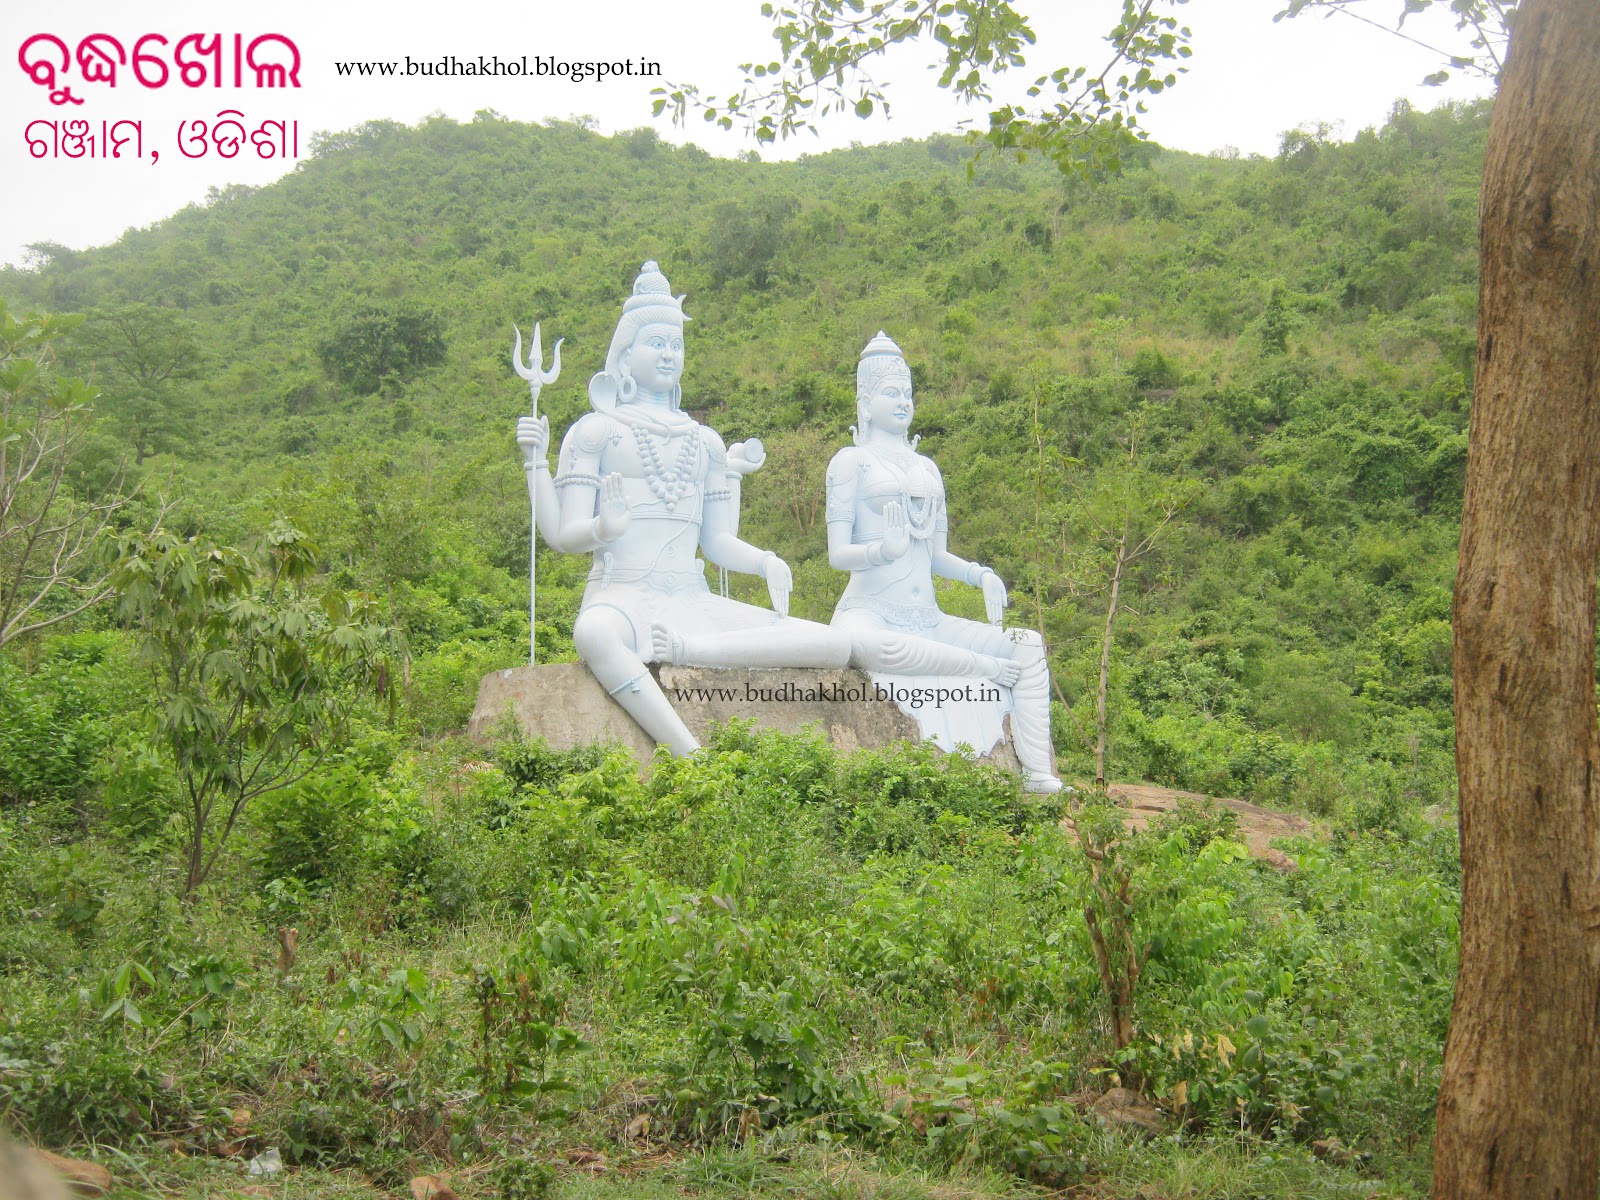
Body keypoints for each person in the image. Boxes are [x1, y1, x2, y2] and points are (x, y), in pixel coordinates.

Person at [516, 261, 849, 755]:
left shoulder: (706, 443)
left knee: (836, 645)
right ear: (625, 357)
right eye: (657, 343)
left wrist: (764, 561)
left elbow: (715, 543)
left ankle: (693, 652)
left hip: (690, 602)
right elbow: (561, 537)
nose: (669, 354)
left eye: (676, 344)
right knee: (593, 634)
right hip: (622, 596)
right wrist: (587, 515)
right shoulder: (597, 430)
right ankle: (687, 754)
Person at [825, 331, 1062, 792]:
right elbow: (838, 556)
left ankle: (1037, 774)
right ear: (865, 401)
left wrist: (981, 574)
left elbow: (935, 556)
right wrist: (882, 551)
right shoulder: (850, 462)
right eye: (891, 393)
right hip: (871, 613)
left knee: (1027, 644)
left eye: (907, 394)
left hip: (928, 621)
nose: (902, 403)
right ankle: (979, 666)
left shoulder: (927, 469)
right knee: (871, 647)